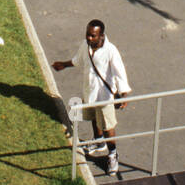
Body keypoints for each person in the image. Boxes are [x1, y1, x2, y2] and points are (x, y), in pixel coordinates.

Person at [52, 21, 131, 175]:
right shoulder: (85, 45)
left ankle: (113, 154)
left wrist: (123, 94)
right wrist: (63, 64)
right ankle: (98, 142)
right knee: (94, 118)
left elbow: (119, 73)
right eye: (87, 34)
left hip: (105, 97)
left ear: (101, 35)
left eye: (92, 35)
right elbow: (78, 60)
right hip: (89, 92)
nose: (89, 38)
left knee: (108, 125)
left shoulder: (110, 51)